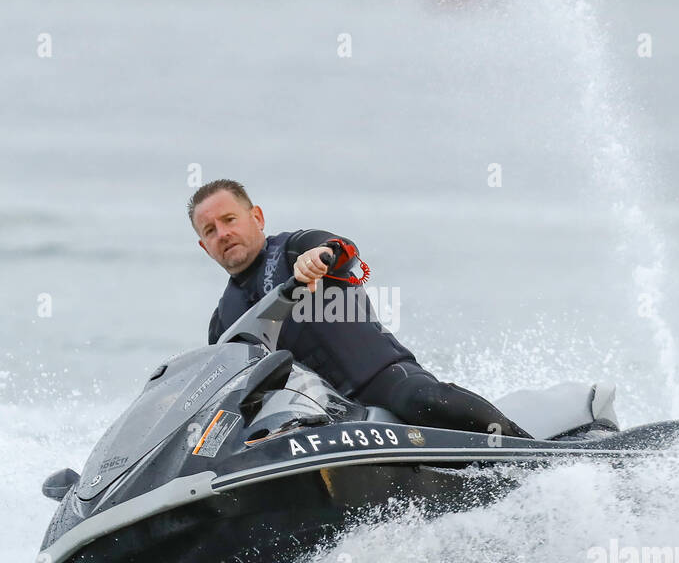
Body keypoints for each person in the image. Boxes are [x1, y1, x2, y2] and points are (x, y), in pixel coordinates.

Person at [189, 178, 533, 439]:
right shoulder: (223, 324)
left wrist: (319, 257)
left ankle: (529, 450)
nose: (223, 233)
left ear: (257, 217)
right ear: (205, 247)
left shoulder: (295, 248)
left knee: (422, 399)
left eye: (230, 219)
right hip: (321, 419)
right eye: (210, 230)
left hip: (383, 381)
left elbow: (344, 249)